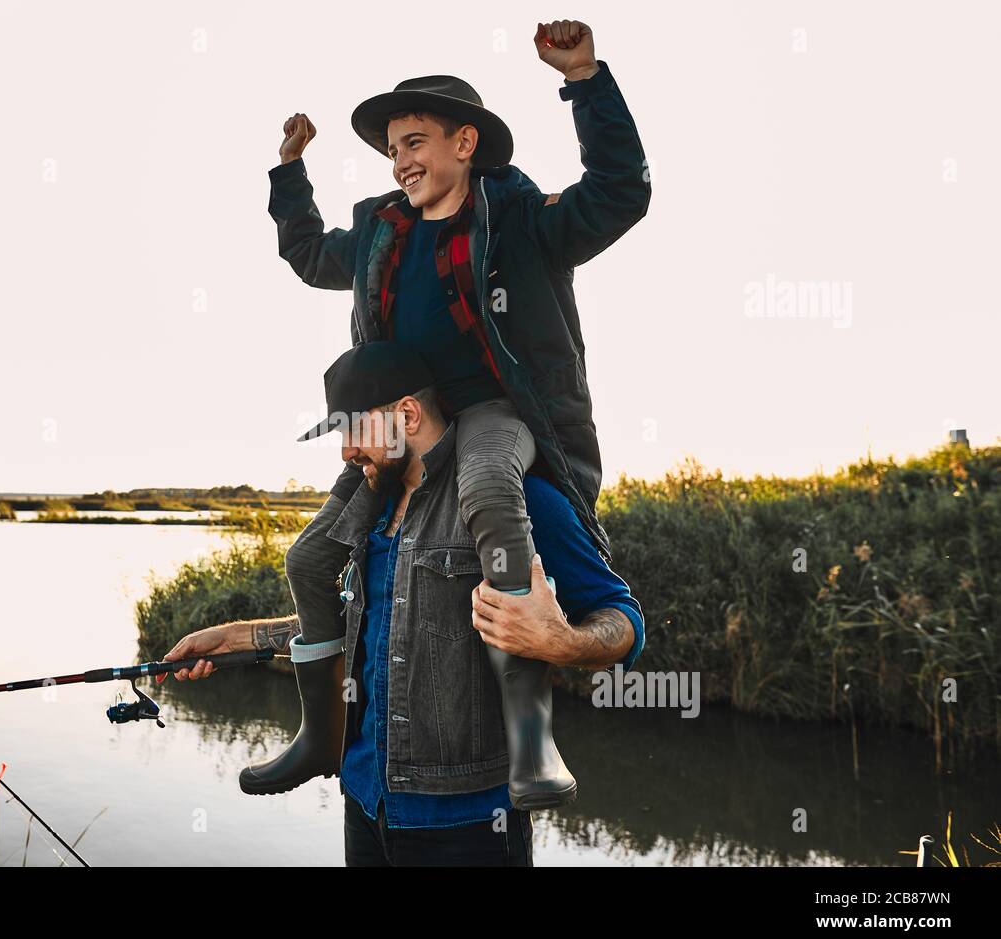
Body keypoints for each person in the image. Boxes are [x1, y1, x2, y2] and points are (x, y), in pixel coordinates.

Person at [264, 19, 650, 805]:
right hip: (408, 430)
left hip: (499, 421)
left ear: (464, 142)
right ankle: (319, 734)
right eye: (392, 150)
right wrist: (290, 171)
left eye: (415, 142)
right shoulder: (379, 233)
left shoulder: (519, 219)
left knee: (483, 485)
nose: (401, 160)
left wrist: (584, 79)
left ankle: (530, 742)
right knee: (308, 559)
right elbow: (308, 257)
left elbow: (620, 194)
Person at [161, 342, 645, 866]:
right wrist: (241, 637)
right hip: (366, 807)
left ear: (407, 414)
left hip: (468, 825)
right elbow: (379, 624)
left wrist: (563, 642)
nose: (346, 452)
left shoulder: (521, 499)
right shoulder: (374, 506)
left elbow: (623, 619)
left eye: (351, 431)